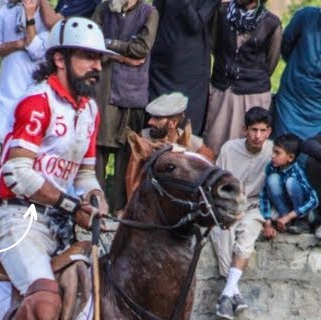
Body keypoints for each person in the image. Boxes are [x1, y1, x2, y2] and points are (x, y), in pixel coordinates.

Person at [0, 18, 113, 320]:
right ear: (59, 59)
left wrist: (95, 197)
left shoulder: (90, 110)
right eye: (87, 57)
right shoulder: (37, 100)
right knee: (44, 303)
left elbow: (84, 175)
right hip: (20, 220)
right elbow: (17, 173)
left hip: (60, 226)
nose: (96, 66)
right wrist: (72, 205)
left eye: (99, 59)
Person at [90, 0, 158, 212]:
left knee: (127, 155)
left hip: (132, 93)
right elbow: (91, 42)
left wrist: (109, 45)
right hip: (102, 91)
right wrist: (122, 57)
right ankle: (95, 208)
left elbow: (140, 49)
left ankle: (121, 211)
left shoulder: (149, 13)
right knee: (96, 151)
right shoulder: (103, 8)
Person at [211, 106, 274, 320]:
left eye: (263, 131)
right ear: (244, 130)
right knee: (222, 231)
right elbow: (217, 183)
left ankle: (227, 293)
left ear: (269, 132)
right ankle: (233, 292)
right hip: (229, 203)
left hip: (258, 205)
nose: (257, 136)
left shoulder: (272, 152)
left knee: (248, 231)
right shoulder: (229, 149)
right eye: (253, 130)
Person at [203, 0, 282, 156]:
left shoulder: (271, 22)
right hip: (222, 88)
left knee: (246, 146)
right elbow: (212, 44)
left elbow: (272, 60)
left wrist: (249, 75)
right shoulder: (221, 12)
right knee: (213, 143)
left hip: (253, 93)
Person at [0, 0, 53, 141]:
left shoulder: (47, 17)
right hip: (5, 94)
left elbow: (36, 51)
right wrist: (18, 44)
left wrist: (29, 17)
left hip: (31, 94)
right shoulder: (5, 11)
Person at [148, 0, 221, 138]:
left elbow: (195, 24)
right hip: (162, 68)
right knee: (157, 120)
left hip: (192, 72)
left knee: (186, 127)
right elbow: (156, 16)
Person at [269, 6, 321, 142]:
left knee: (311, 148)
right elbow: (286, 44)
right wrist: (298, 68)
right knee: (282, 144)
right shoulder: (306, 16)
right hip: (291, 97)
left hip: (317, 106)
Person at [260, 133, 318, 235]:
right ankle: (284, 219)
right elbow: (264, 194)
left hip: (302, 212)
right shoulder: (272, 167)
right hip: (284, 210)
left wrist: (290, 216)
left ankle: (301, 222)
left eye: (277, 153)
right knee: (272, 179)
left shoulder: (297, 171)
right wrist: (267, 222)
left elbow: (314, 200)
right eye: (273, 151)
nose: (272, 156)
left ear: (290, 157)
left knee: (291, 182)